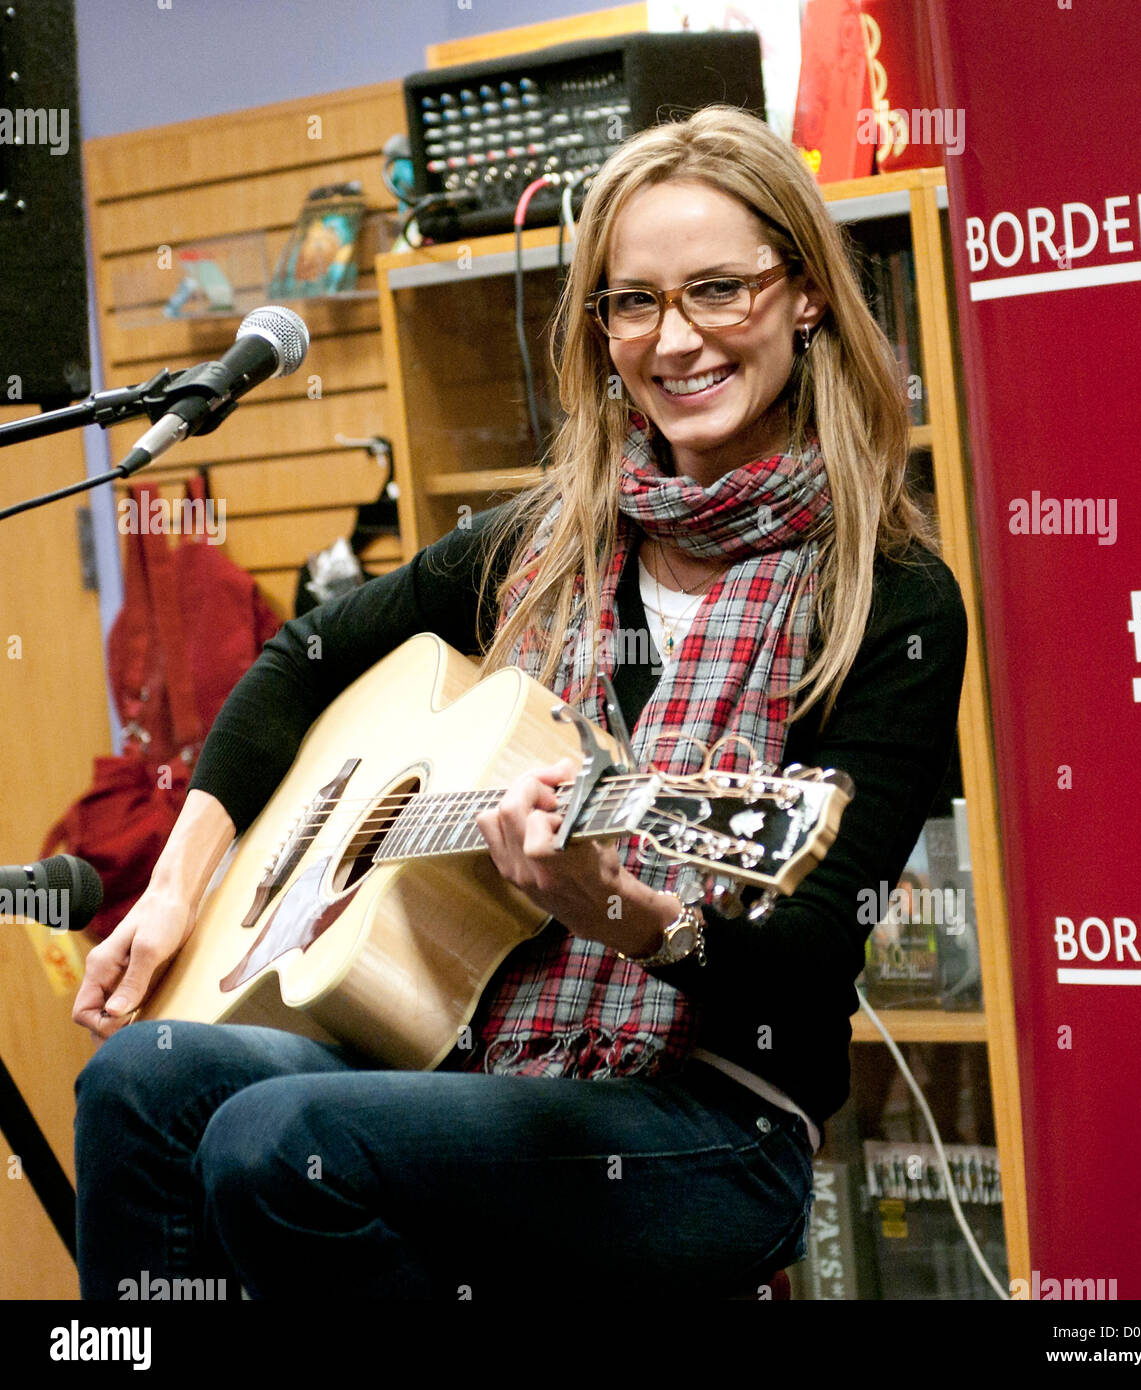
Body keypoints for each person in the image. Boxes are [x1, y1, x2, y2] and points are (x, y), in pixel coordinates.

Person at [72, 104, 967, 1300]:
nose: (676, 339)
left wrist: (632, 917)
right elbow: (300, 659)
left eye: (718, 290)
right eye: (633, 301)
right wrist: (176, 893)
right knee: (139, 1078)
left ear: (804, 294)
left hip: (712, 1119)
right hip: (480, 1054)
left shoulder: (889, 595)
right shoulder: (539, 545)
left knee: (279, 1146)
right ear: (599, 330)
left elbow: (806, 956)